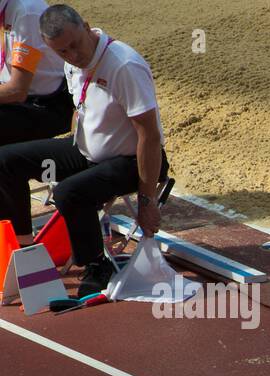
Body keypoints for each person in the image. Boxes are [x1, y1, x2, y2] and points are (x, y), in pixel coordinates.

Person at [0, 4, 165, 295]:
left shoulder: (123, 65)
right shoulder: (71, 64)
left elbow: (149, 136)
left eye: (75, 45)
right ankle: (25, 252)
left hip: (129, 160)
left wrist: (147, 200)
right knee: (6, 161)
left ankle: (96, 264)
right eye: (63, 52)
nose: (73, 56)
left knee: (69, 191)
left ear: (87, 27)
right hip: (87, 150)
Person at [0, 0, 75, 146]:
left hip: (45, 105)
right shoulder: (8, 8)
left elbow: (17, 90)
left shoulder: (26, 12)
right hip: (21, 97)